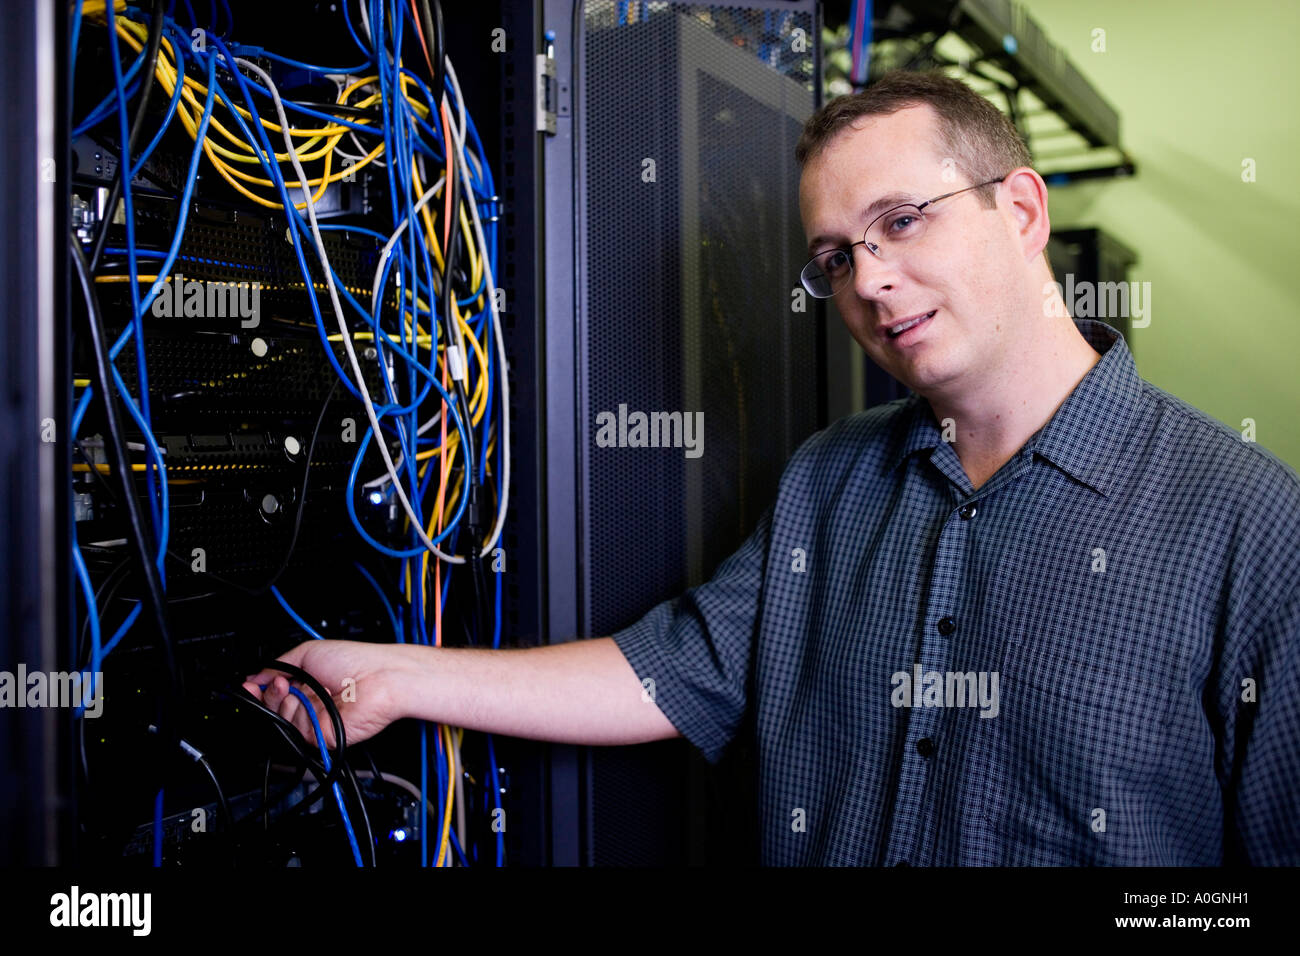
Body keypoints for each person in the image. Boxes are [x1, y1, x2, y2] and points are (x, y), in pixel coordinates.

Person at [244, 70, 1300, 866]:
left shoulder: (1250, 526)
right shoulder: (831, 479)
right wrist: (393, 677)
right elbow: (675, 670)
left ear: (1020, 211)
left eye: (900, 221)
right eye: (837, 256)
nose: (871, 282)